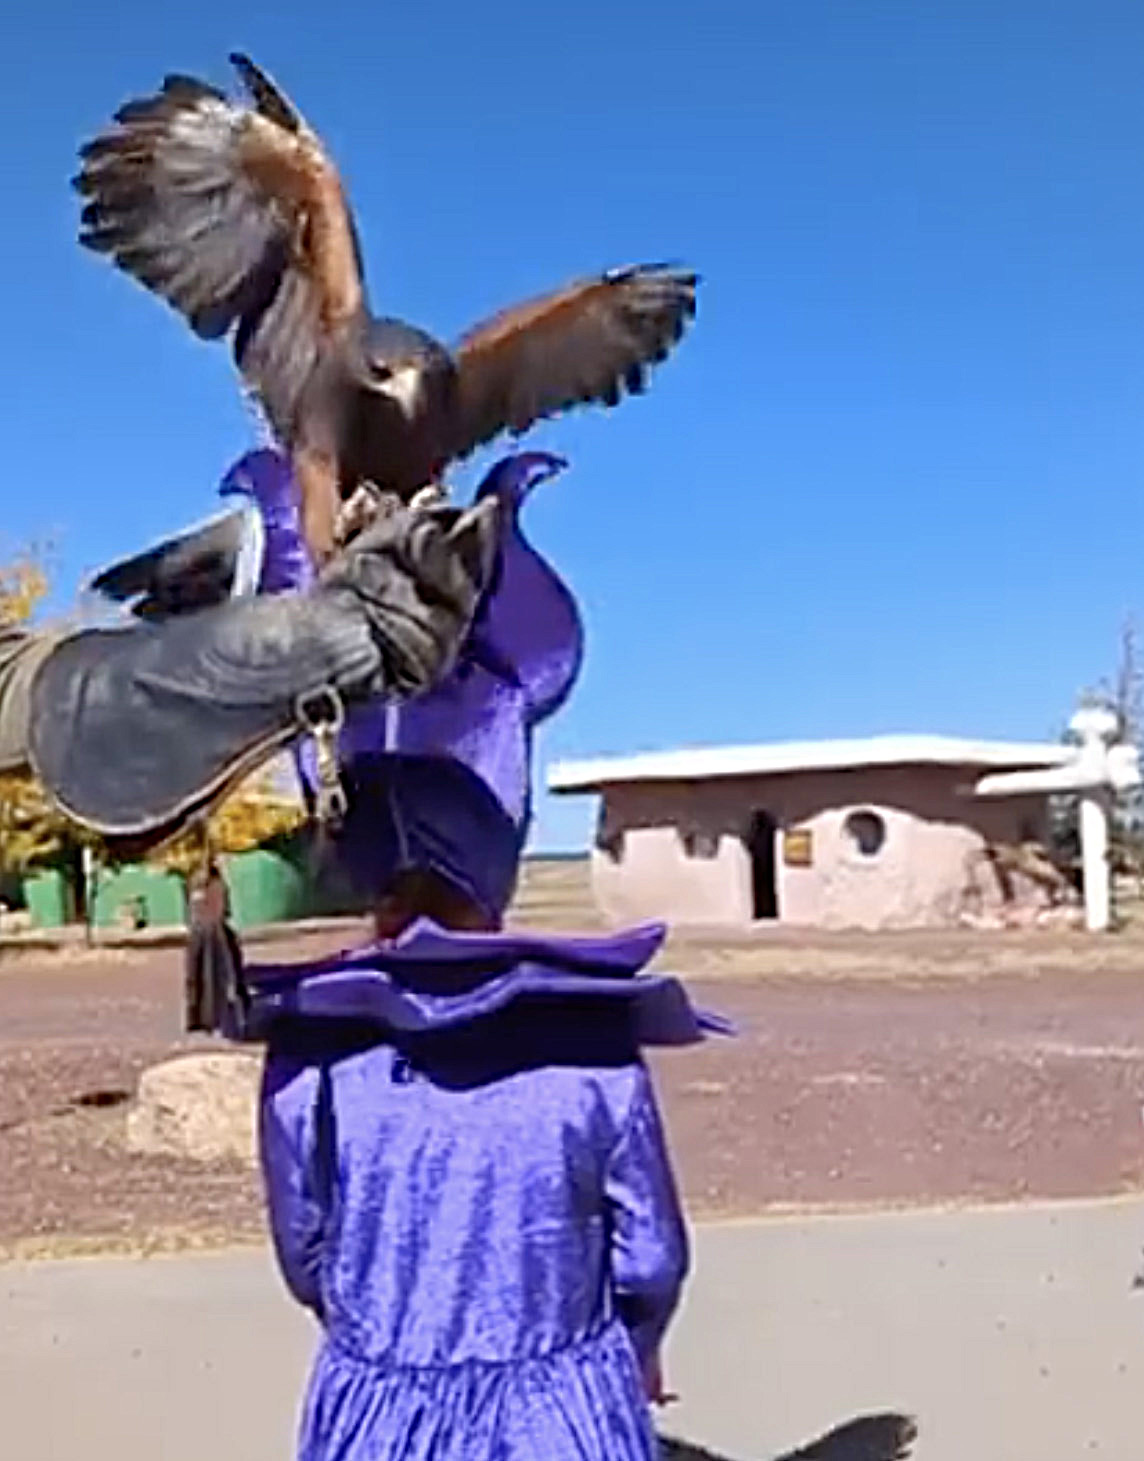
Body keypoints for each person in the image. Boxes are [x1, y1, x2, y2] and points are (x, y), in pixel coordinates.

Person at [236, 450, 730, 1461]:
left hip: (380, 1412)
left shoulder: (316, 1052)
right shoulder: (589, 1043)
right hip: (565, 1412)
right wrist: (634, 1348)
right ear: (508, 836)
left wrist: (384, 1337)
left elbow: (305, 1248)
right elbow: (650, 1256)